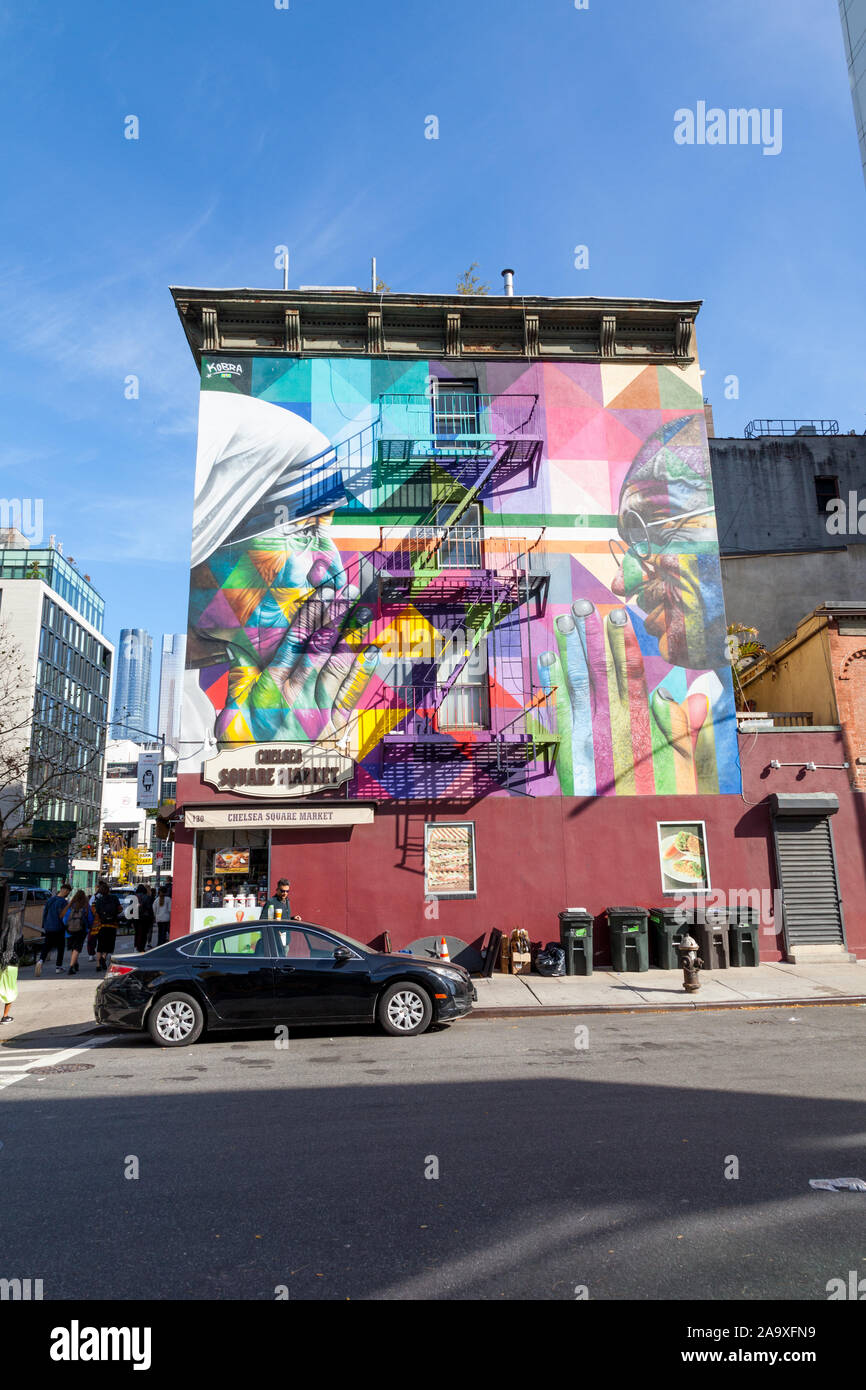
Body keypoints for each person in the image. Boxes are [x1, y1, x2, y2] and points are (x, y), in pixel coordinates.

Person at [35, 883, 71, 976]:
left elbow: (45, 913)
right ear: (66, 890)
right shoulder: (63, 902)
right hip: (58, 927)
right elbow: (63, 916)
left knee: (47, 945)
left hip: (48, 927)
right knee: (61, 947)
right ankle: (58, 967)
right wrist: (66, 926)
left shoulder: (50, 900)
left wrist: (44, 925)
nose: (68, 894)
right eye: (68, 892)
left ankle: (40, 961)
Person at [62, 890, 93, 976]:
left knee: (73, 947)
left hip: (69, 930)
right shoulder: (86, 906)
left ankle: (75, 963)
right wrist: (89, 927)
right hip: (81, 930)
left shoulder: (70, 906)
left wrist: (67, 926)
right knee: (77, 948)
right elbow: (90, 918)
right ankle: (71, 966)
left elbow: (64, 919)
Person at [0, 896, 21, 1023]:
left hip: (1, 963)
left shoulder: (2, 935)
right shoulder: (18, 936)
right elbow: (21, 951)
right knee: (10, 991)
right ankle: (5, 1016)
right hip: (12, 966)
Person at [93, 881, 122, 971]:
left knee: (100, 945)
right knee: (109, 944)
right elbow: (120, 909)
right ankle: (104, 957)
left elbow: (96, 912)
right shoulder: (114, 898)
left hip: (102, 925)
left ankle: (98, 965)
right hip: (112, 924)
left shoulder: (98, 900)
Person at [134, 885, 154, 952]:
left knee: (137, 933)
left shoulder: (134, 897)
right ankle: (141, 947)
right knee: (144, 933)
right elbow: (150, 909)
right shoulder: (148, 897)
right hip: (145, 918)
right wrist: (152, 918)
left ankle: (136, 947)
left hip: (136, 918)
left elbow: (131, 909)